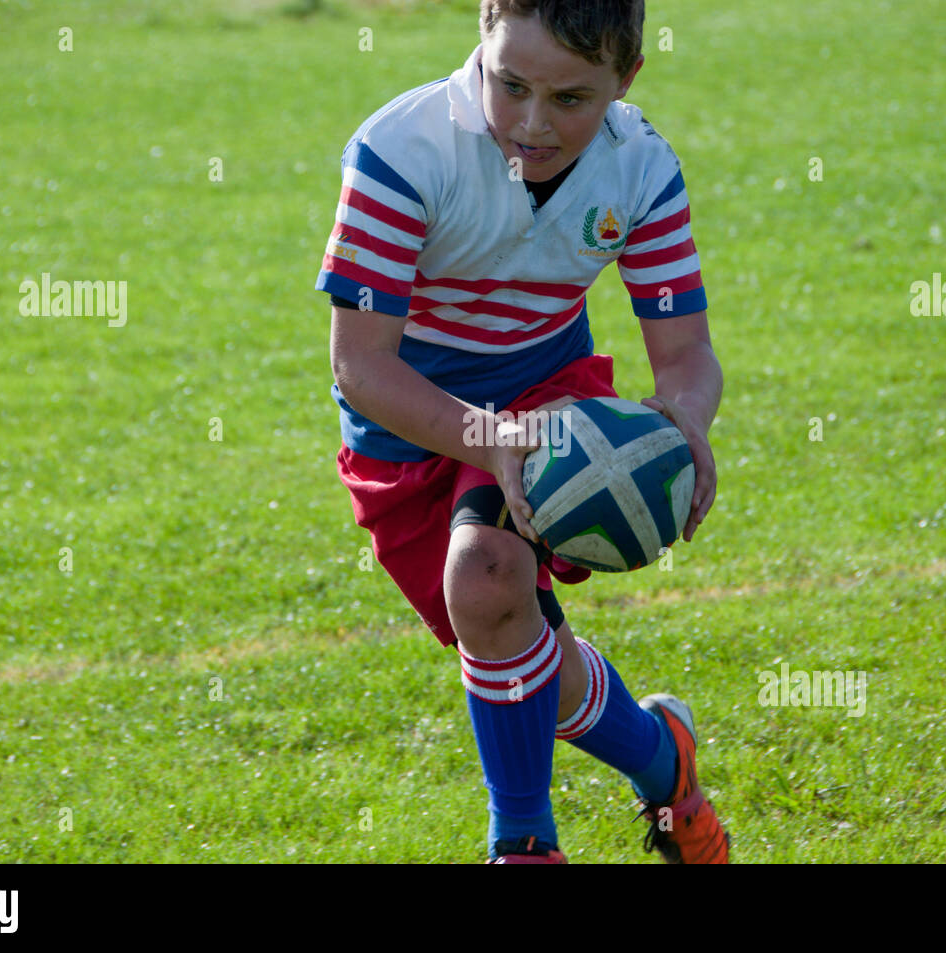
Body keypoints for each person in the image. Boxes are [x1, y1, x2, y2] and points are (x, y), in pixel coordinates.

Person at [318, 0, 727, 863]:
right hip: (407, 422)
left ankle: (524, 842)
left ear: (627, 80)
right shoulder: (403, 150)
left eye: (572, 99)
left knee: (486, 575)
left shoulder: (641, 166)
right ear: (482, 31)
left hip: (547, 393)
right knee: (514, 634)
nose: (534, 124)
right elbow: (362, 364)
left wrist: (685, 415)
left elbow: (685, 350)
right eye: (512, 85)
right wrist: (482, 437)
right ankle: (665, 761)